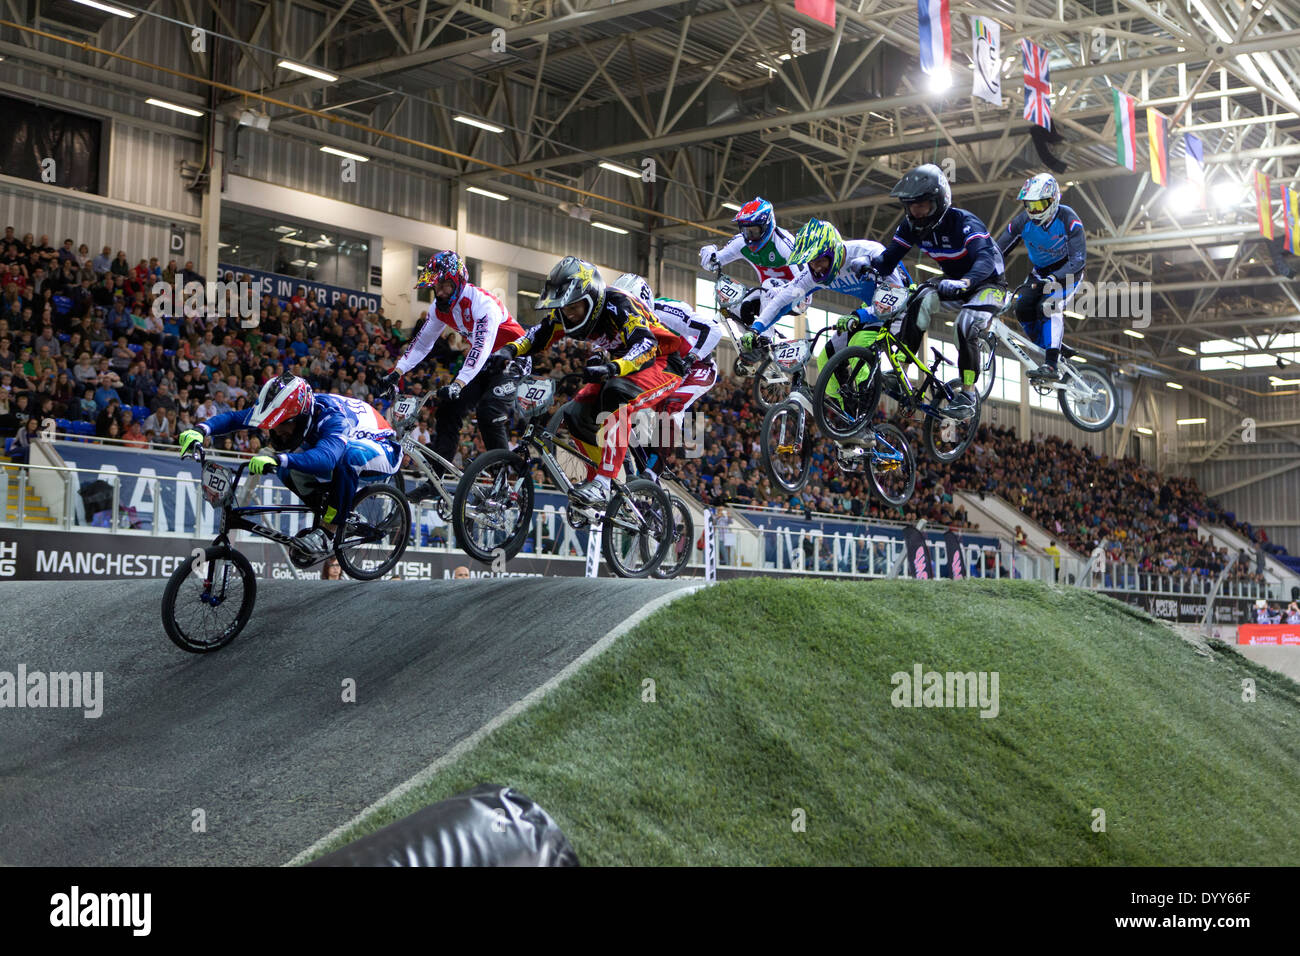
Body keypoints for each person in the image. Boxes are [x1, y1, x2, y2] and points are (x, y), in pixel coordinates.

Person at [491, 256, 687, 507]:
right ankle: (599, 484)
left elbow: (646, 345)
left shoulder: (619, 304)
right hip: (624, 364)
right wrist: (508, 351)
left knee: (618, 395)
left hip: (662, 361)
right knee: (576, 412)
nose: (569, 315)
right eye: (565, 309)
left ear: (592, 297)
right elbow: (537, 335)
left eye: (574, 307)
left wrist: (613, 367)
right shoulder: (566, 313)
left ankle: (604, 483)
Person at [177, 373, 402, 559]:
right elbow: (236, 419)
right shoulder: (286, 408)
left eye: (281, 426)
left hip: (383, 447)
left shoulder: (333, 418)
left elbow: (326, 458)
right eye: (272, 427)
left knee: (344, 459)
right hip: (344, 443)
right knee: (285, 466)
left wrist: (279, 459)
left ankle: (327, 532)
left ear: (299, 419)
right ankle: (330, 508)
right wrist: (201, 429)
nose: (275, 432)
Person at [376, 251, 528, 498]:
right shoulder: (439, 308)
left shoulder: (482, 304)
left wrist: (458, 382)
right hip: (486, 362)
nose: (442, 292)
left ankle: (503, 482)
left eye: (447, 285)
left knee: (488, 410)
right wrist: (397, 372)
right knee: (448, 408)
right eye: (438, 286)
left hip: (515, 357)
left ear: (459, 282)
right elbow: (423, 343)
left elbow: (480, 346)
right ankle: (435, 481)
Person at [871, 163, 1007, 419]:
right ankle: (902, 371)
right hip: (954, 283)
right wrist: (868, 264)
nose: (916, 212)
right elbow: (889, 258)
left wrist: (965, 282)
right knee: (919, 298)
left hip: (989, 285)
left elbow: (985, 261)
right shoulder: (910, 226)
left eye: (922, 205)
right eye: (911, 206)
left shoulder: (965, 223)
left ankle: (967, 393)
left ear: (940, 201)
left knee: (965, 326)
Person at [610, 273, 722, 474]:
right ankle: (640, 453)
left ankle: (654, 471)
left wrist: (693, 357)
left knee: (670, 406)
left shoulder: (668, 312)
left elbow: (713, 329)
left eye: (631, 307)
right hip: (664, 368)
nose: (627, 313)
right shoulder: (619, 320)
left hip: (697, 367)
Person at [995, 173, 1087, 381]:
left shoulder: (1068, 219)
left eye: (1040, 206)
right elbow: (997, 251)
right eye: (1030, 206)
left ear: (1053, 200)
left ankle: (1051, 365)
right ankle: (1050, 346)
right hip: (1040, 272)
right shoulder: (1021, 222)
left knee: (1049, 306)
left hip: (1068, 272)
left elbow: (1078, 260)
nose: (1034, 212)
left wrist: (1056, 278)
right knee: (1023, 308)